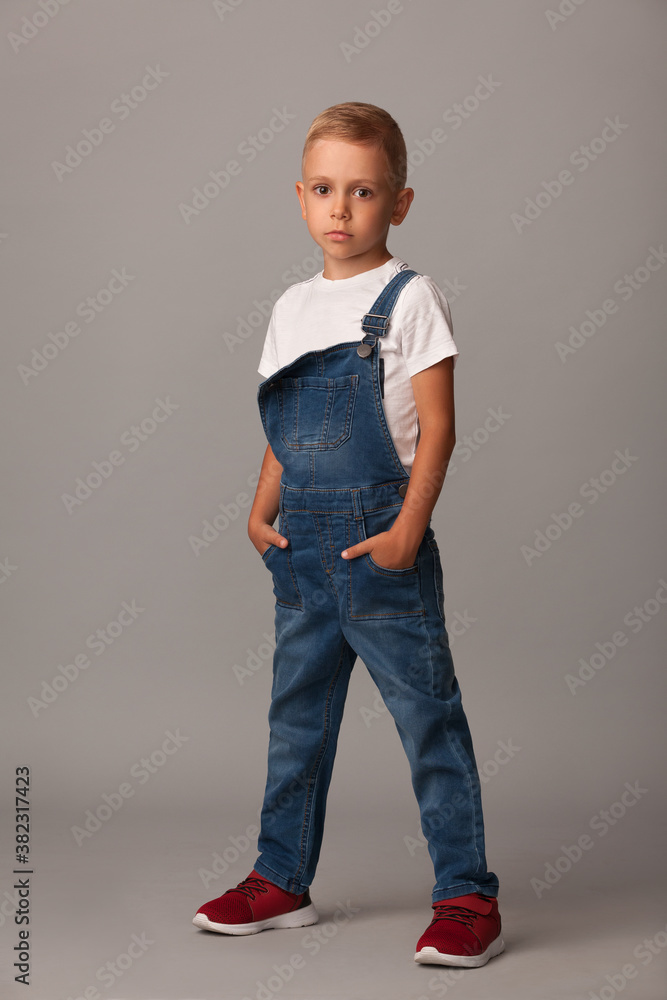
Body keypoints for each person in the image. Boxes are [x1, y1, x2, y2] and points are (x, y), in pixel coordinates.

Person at [193, 101, 505, 968]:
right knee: (295, 722)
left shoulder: (412, 298)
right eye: (325, 190)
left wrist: (410, 529)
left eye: (363, 192)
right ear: (300, 198)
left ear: (397, 204)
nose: (341, 209)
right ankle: (280, 878)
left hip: (381, 545)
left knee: (427, 720)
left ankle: (467, 897)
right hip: (301, 549)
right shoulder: (291, 307)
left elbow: (438, 429)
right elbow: (284, 431)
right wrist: (260, 510)